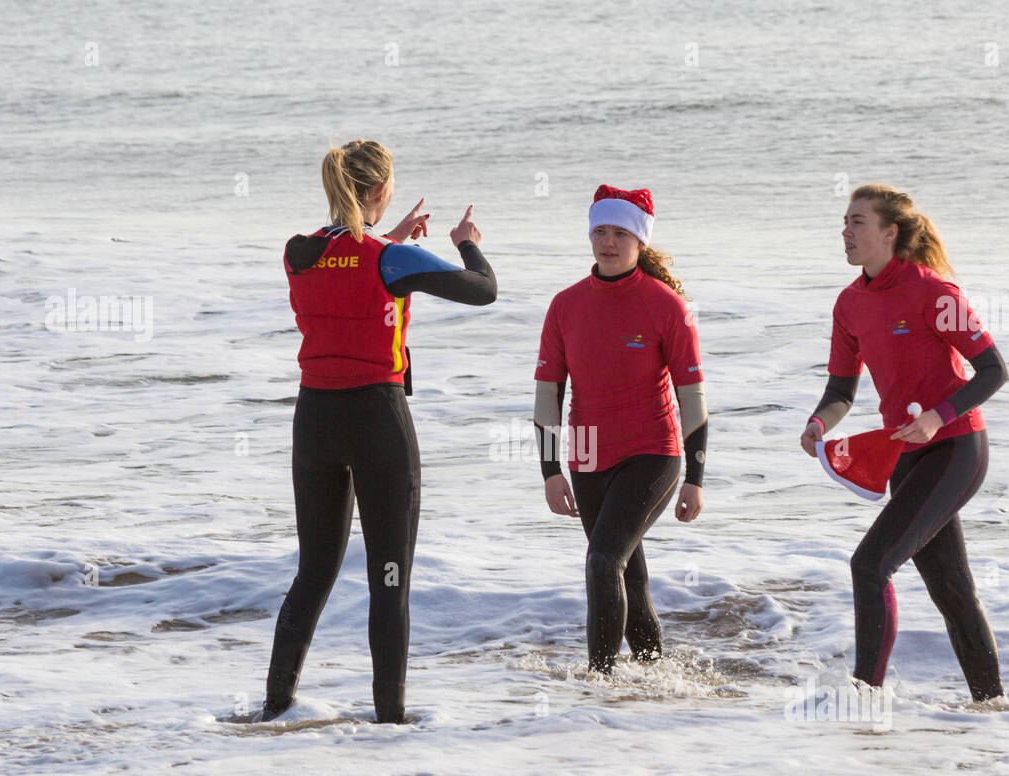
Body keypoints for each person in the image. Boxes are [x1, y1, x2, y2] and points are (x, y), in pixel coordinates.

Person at [262, 139, 497, 723]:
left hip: (314, 421)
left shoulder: (298, 252)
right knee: (388, 578)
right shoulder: (392, 260)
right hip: (377, 423)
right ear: (377, 191)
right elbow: (483, 289)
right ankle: (389, 724)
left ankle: (274, 709)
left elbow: (350, 260)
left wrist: (390, 233)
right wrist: (466, 242)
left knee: (314, 571)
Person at [799, 184, 1007, 701]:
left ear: (890, 232)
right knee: (953, 592)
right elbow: (840, 390)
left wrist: (939, 417)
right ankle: (993, 706)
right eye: (844, 223)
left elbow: (993, 370)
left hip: (956, 446)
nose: (846, 232)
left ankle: (863, 697)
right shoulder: (849, 304)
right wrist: (819, 424)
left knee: (869, 564)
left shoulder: (934, 291)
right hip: (905, 455)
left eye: (858, 223)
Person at [534, 185, 707, 673]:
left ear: (640, 242)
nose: (608, 242)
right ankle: (654, 676)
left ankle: (599, 682)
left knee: (602, 560)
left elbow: (692, 399)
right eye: (600, 231)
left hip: (653, 450)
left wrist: (695, 477)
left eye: (620, 233)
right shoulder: (565, 305)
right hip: (587, 453)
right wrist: (550, 471)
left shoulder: (666, 306)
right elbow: (548, 395)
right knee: (626, 573)